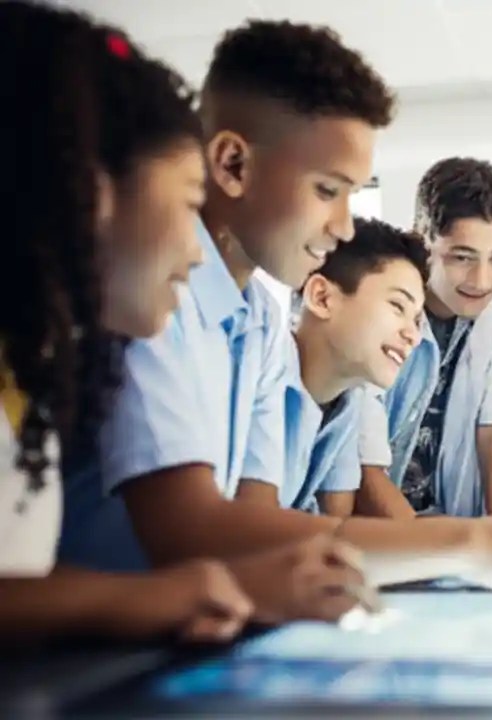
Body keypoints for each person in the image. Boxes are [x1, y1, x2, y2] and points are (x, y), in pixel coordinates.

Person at [57, 20, 492, 611]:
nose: (343, 225)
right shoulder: (155, 297)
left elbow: (263, 529)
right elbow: (191, 529)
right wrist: (485, 542)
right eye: (326, 190)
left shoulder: (263, 326)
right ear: (233, 165)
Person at [0, 2, 255, 643]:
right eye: (191, 202)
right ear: (93, 193)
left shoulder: (32, 376)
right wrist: (140, 598)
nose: (198, 251)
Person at [357, 157, 492, 518]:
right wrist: (430, 547)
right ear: (423, 240)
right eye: (462, 257)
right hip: (376, 522)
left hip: (442, 520)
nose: (482, 281)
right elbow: (361, 458)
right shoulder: (377, 302)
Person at [237, 217, 427, 515]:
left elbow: (336, 529)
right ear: (322, 298)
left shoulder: (347, 403)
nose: (413, 336)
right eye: (397, 306)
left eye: (416, 319)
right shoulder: (256, 369)